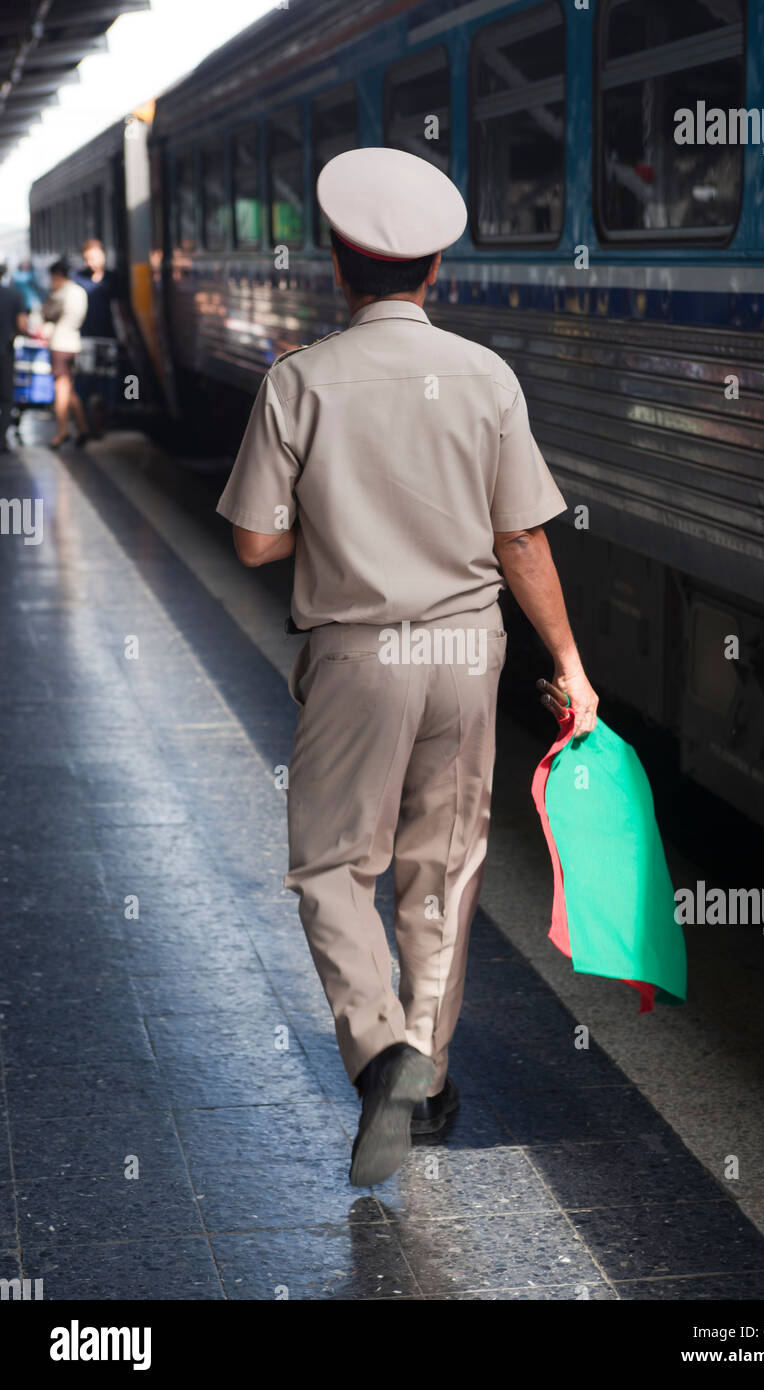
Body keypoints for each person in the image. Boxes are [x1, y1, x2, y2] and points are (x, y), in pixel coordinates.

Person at [215, 147, 598, 1188]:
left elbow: (253, 542)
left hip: (359, 655)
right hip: (468, 655)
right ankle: (424, 1085)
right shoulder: (485, 377)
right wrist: (567, 662)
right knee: (444, 869)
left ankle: (382, 1046)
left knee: (336, 866)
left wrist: (342, 522)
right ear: (435, 272)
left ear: (338, 267)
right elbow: (522, 540)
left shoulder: (300, 380)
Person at [73, 239, 125, 438]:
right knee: (85, 378)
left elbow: (121, 309)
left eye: (94, 257)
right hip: (85, 337)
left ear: (103, 255)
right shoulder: (78, 277)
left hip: (109, 336)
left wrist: (125, 336)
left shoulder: (113, 278)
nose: (91, 262)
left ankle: (107, 415)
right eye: (87, 259)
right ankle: (85, 417)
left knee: (108, 378)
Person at [40, 259, 89, 448]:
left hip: (60, 342)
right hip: (74, 343)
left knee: (60, 388)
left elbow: (47, 313)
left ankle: (62, 432)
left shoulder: (61, 292)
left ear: (57, 276)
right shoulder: (80, 291)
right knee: (69, 389)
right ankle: (83, 429)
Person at [0, 265, 28, 452]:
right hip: (5, 351)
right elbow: (22, 325)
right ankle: (1, 438)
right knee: (6, 397)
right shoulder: (14, 294)